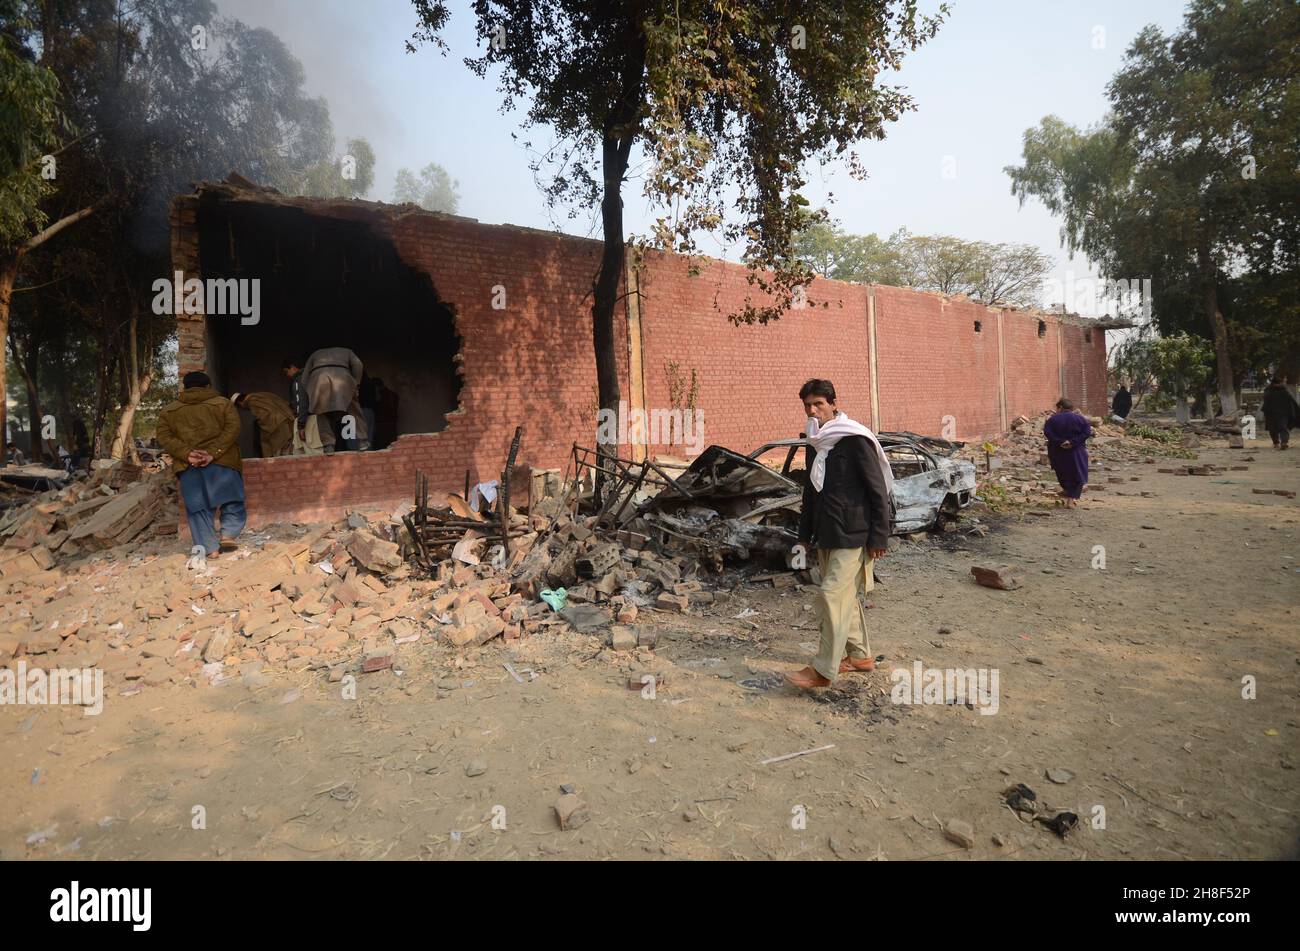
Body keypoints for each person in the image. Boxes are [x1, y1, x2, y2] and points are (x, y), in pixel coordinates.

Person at [785, 379, 893, 690]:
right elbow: (811, 493)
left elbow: (878, 490)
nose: (813, 410)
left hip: (855, 534)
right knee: (843, 597)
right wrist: (804, 536)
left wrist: (879, 537)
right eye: (807, 405)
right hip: (826, 533)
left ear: (834, 403)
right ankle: (860, 656)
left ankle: (823, 669)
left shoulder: (854, 439)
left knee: (831, 595)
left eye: (818, 403)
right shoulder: (815, 443)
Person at [155, 371, 246, 558]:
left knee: (197, 508)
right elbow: (233, 429)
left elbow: (164, 437)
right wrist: (213, 453)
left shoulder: (169, 410)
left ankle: (210, 548)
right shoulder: (223, 404)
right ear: (208, 386)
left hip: (189, 467)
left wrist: (187, 454)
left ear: (184, 387)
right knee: (232, 499)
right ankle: (228, 534)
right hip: (223, 463)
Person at [299, 347, 370, 454]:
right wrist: (356, 383)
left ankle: (329, 445)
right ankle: (363, 441)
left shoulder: (315, 353)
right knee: (354, 410)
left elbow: (304, 378)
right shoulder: (347, 351)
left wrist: (311, 392)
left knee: (320, 413)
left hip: (319, 381)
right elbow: (358, 365)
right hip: (343, 380)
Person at [1044, 397, 1092, 507]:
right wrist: (1072, 442)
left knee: (1063, 474)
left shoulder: (1052, 420)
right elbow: (1087, 432)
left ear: (1060, 407)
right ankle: (1071, 499)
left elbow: (1048, 433)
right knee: (1077, 475)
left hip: (1058, 452)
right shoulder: (1080, 419)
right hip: (1076, 452)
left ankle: (1067, 493)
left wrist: (1060, 442)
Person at [233, 391, 295, 458]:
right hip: (287, 421)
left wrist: (264, 432)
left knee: (279, 453)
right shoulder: (260, 395)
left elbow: (264, 416)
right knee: (287, 451)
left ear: (240, 403)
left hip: (278, 427)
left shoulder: (251, 401)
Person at [1261, 374, 1299, 450]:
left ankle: (1284, 443)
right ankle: (1276, 443)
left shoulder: (1284, 390)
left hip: (1283, 413)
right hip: (1271, 413)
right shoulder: (1268, 390)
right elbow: (1266, 401)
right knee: (1272, 429)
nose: (1280, 384)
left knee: (1282, 427)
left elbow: (1292, 401)